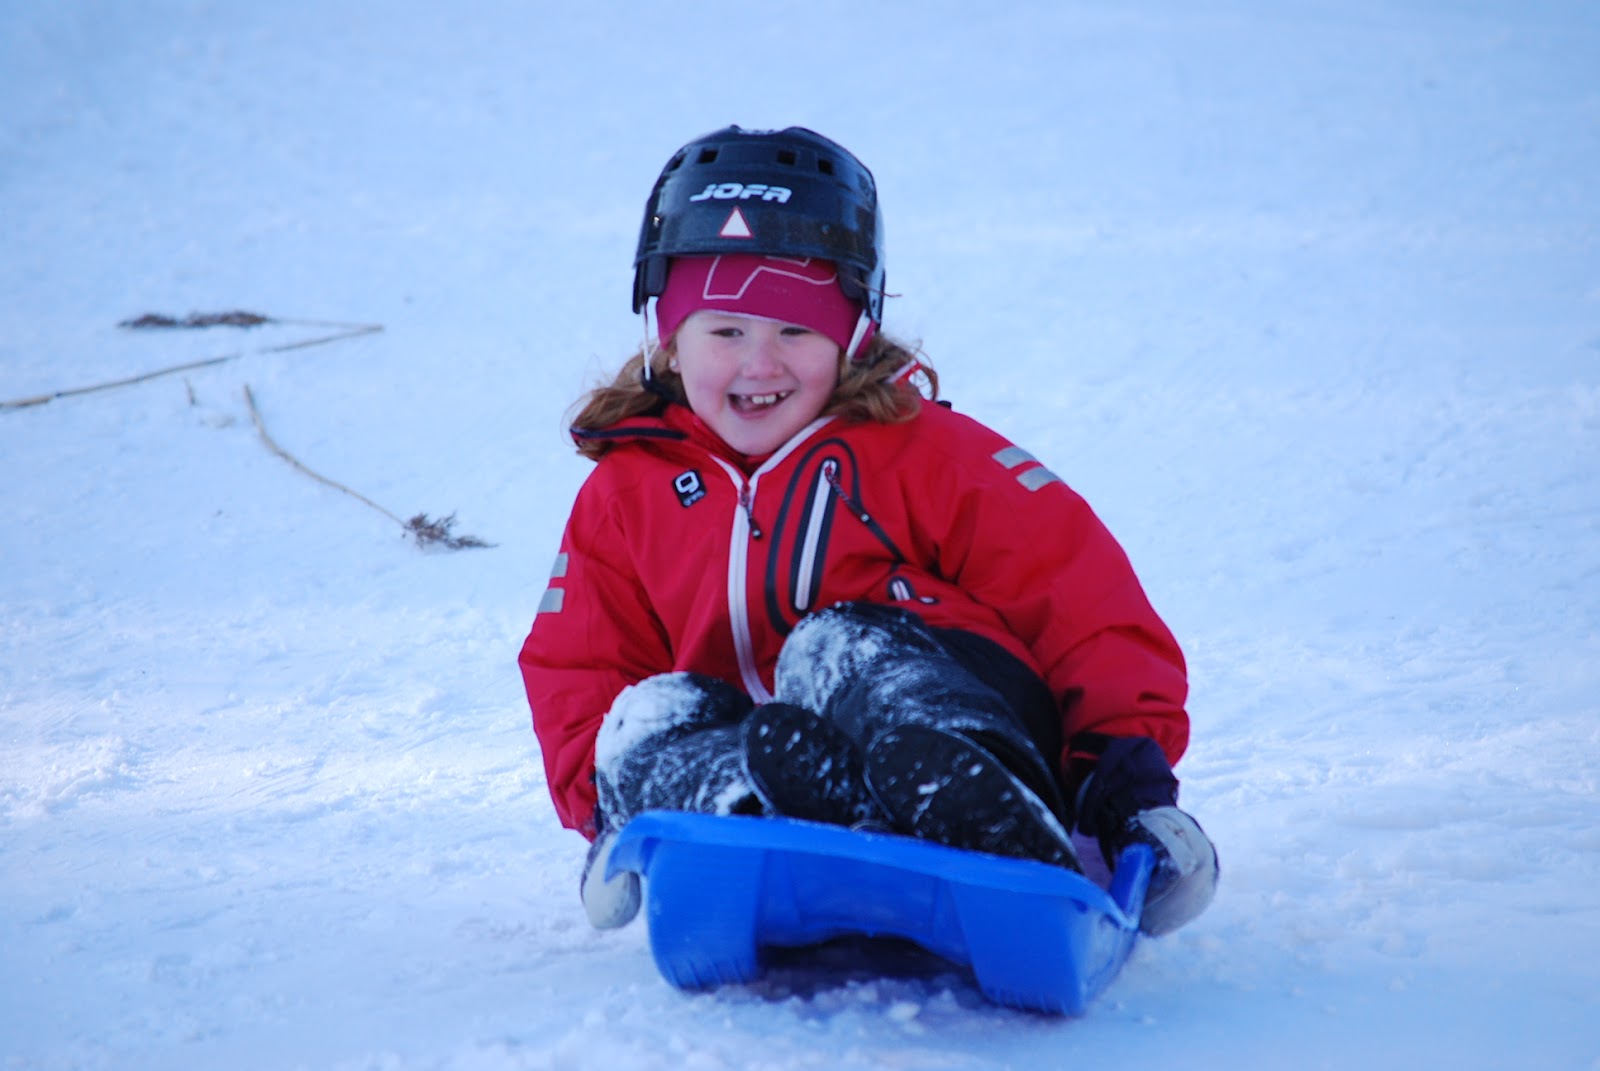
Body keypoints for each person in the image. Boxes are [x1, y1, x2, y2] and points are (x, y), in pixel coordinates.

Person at [518, 125, 1218, 938]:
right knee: (654, 710)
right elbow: (582, 662)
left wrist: (1127, 784)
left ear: (853, 335)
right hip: (773, 763)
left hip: (949, 707)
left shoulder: (926, 455)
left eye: (796, 330)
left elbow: (1080, 598)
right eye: (726, 331)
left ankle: (973, 800)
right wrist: (602, 806)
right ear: (670, 341)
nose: (760, 362)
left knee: (833, 648)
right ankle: (732, 815)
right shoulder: (625, 494)